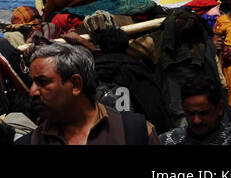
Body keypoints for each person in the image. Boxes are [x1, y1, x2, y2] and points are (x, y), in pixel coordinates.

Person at [20, 43, 158, 145]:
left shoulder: (134, 132)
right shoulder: (29, 142)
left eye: (43, 82)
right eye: (31, 83)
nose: (32, 92)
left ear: (75, 84)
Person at [92, 25, 174, 132]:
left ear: (102, 47)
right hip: (140, 132)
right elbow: (154, 108)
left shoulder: (92, 72)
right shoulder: (137, 70)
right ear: (126, 46)